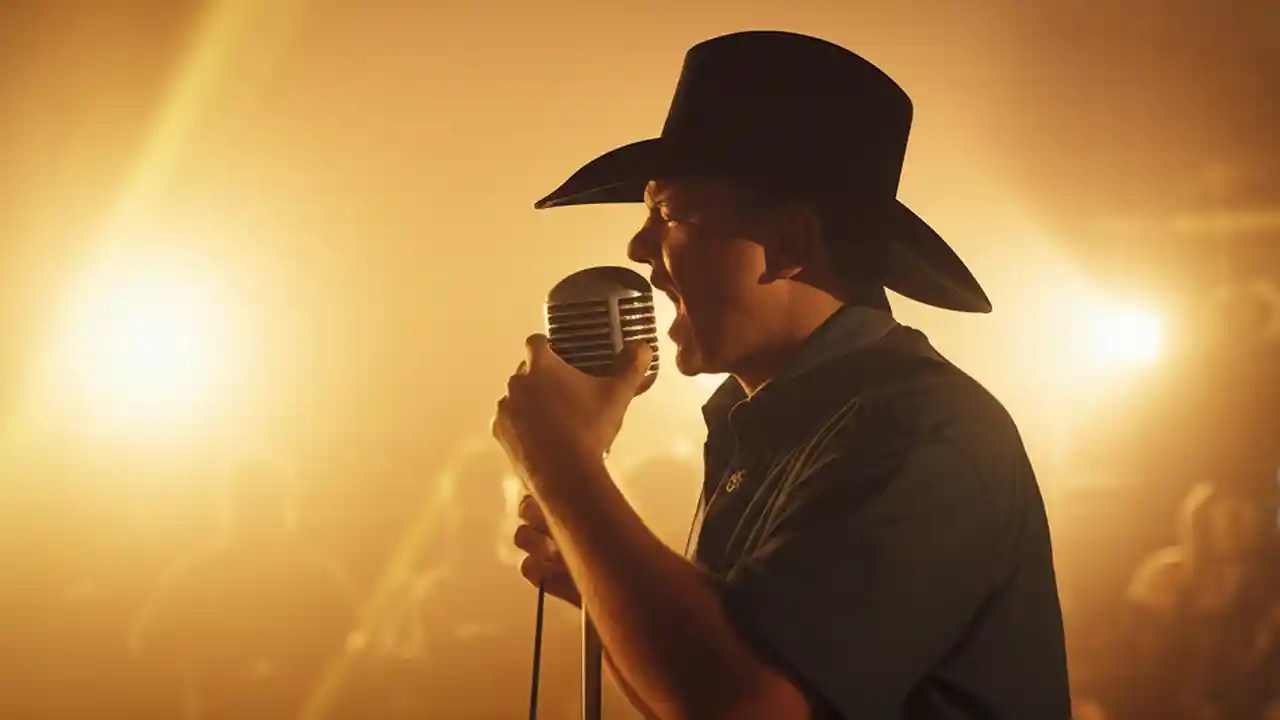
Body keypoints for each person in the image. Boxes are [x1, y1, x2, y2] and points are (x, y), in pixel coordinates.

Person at [492, 31, 1070, 719]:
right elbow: (703, 693)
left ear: (790, 245)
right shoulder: (764, 434)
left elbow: (746, 707)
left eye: (670, 213)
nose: (639, 247)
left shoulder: (924, 431)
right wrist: (607, 583)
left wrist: (562, 464)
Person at [131, 457, 357, 719]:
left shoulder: (200, 571)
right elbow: (149, 641)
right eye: (253, 503)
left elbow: (354, 644)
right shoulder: (315, 573)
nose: (258, 513)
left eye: (264, 503)